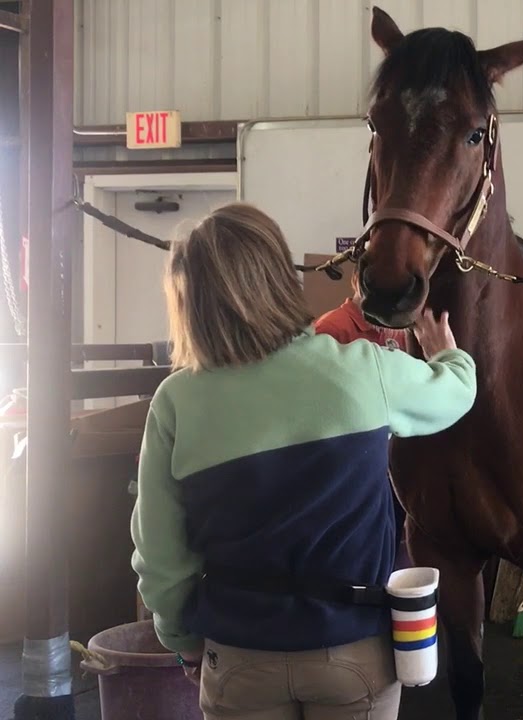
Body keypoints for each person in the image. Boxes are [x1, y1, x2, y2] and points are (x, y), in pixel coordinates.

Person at [129, 202, 476, 719]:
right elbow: (457, 392)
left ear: (188, 301)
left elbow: (160, 556)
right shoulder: (363, 370)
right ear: (278, 277)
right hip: (354, 652)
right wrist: (445, 352)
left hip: (238, 655)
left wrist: (182, 641)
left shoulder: (175, 402)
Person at [314, 271, 414, 568]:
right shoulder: (332, 329)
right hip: (354, 465)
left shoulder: (398, 332)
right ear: (357, 280)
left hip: (393, 460)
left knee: (393, 544)